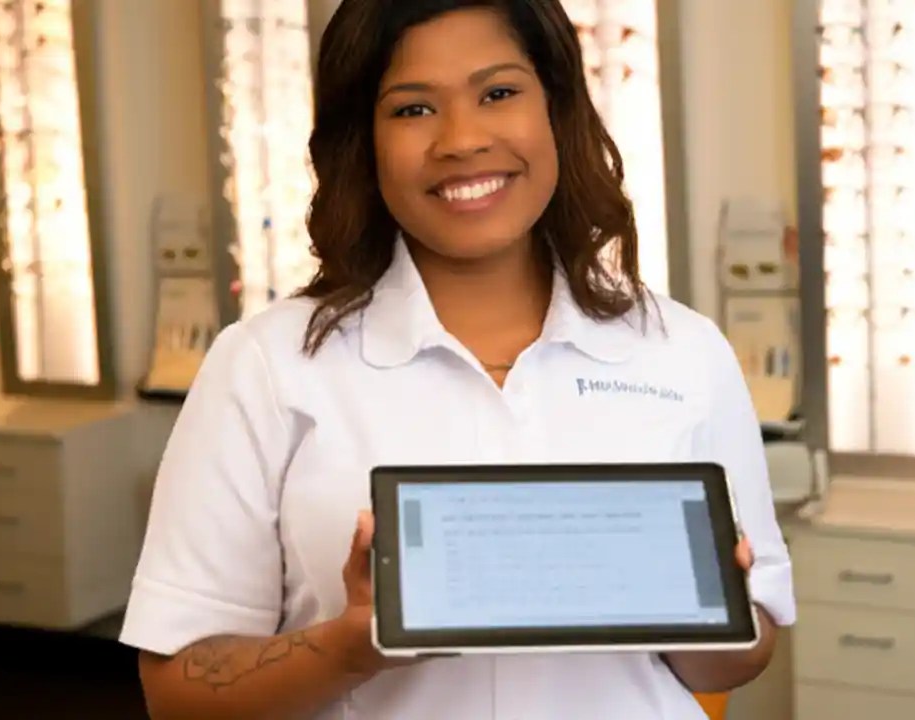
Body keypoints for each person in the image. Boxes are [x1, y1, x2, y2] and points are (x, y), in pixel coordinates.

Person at [119, 1, 795, 718]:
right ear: (364, 142)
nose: (463, 139)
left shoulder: (682, 353)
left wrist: (708, 599)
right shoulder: (266, 365)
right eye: (413, 109)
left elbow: (741, 652)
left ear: (556, 110)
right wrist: (352, 645)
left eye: (499, 93)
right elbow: (178, 688)